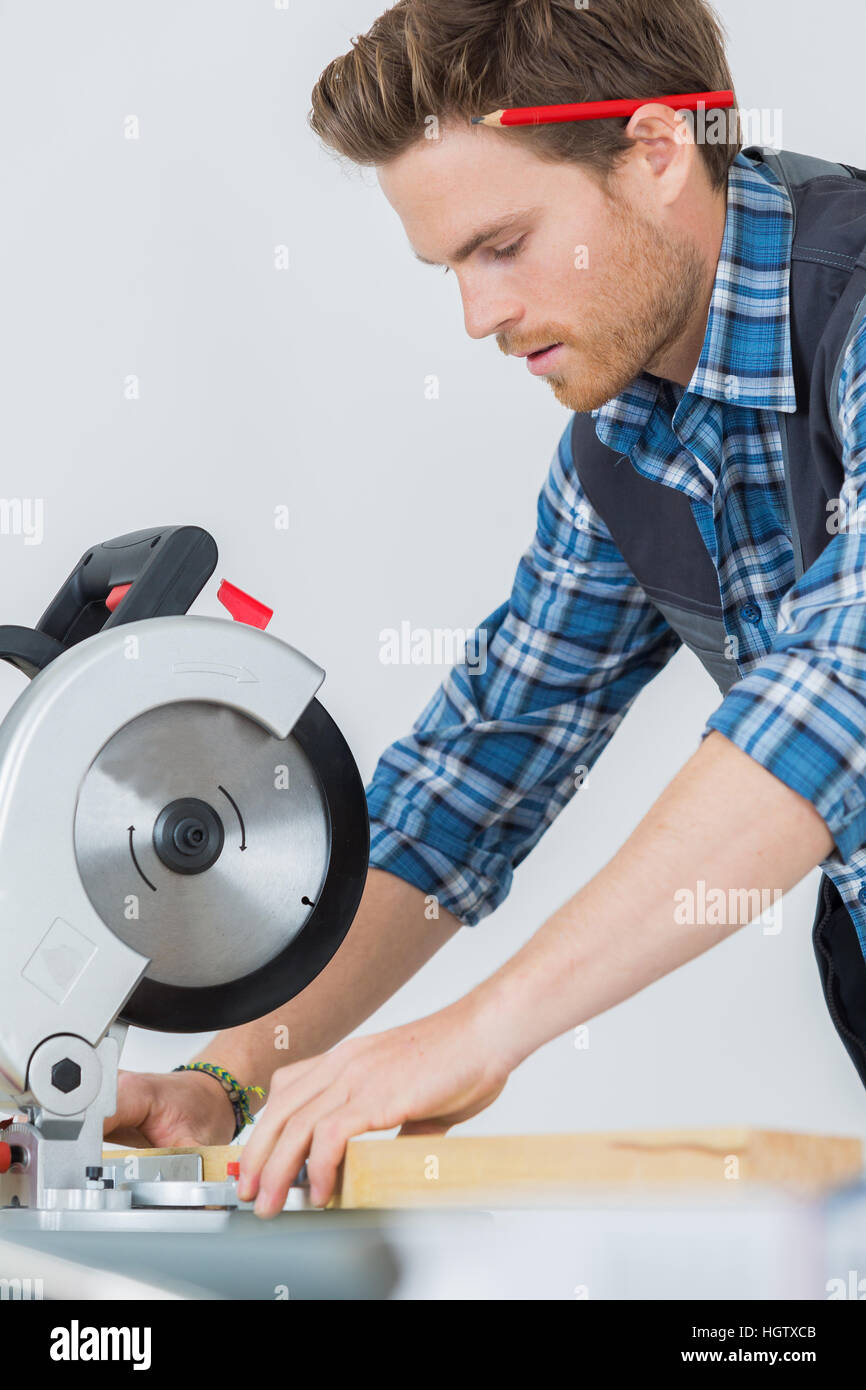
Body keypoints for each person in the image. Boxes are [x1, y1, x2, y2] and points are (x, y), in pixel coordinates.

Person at [107, 0, 866, 1216]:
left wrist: (481, 1029)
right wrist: (231, 1074)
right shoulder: (624, 435)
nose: (477, 317)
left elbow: (841, 689)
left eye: (502, 243)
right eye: (448, 265)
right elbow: (473, 777)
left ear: (656, 150)